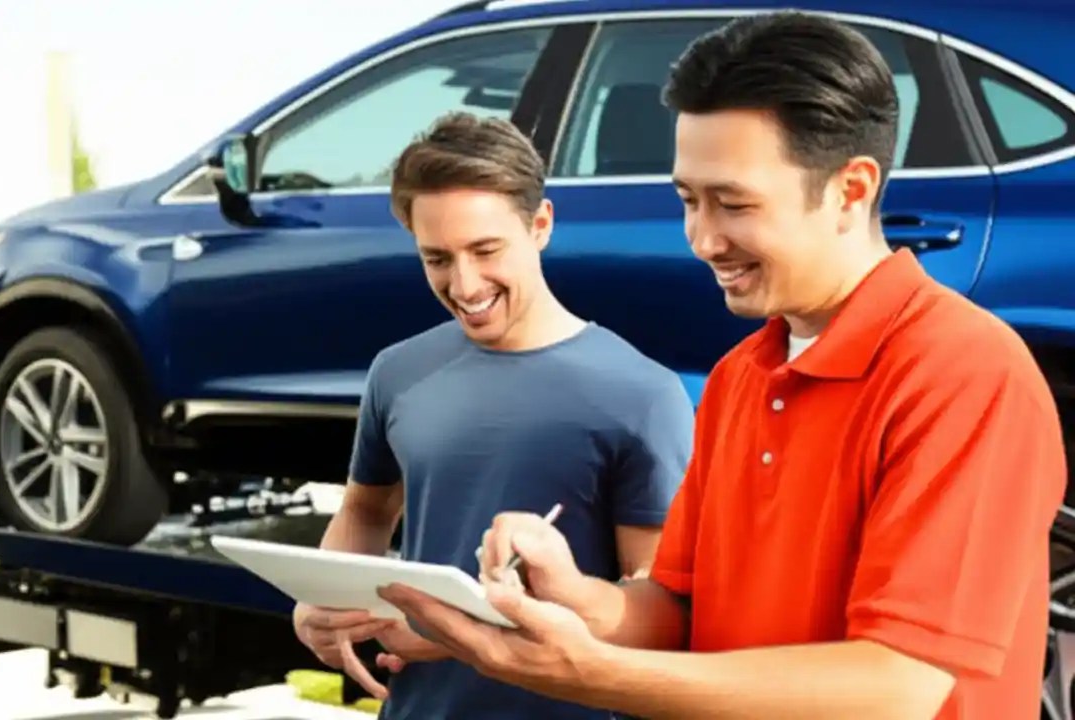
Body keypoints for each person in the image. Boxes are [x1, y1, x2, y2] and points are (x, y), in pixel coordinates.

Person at [378, 11, 1067, 720]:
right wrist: (572, 596)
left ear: (850, 190)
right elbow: (680, 612)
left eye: (732, 204)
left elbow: (897, 688)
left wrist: (591, 673)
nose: (703, 239)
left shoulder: (963, 376)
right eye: (687, 200)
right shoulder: (742, 374)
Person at [290, 111, 695, 719]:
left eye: (485, 250)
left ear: (540, 225)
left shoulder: (642, 394)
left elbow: (655, 615)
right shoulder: (397, 373)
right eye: (437, 259)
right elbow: (365, 512)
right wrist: (318, 606)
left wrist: (457, 631)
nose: (465, 283)